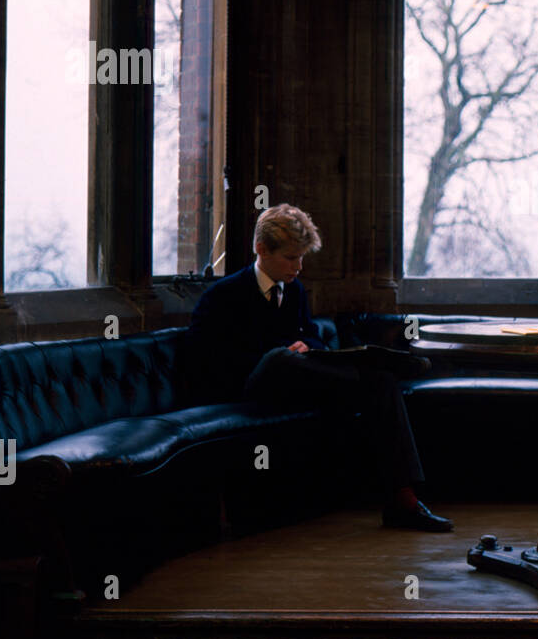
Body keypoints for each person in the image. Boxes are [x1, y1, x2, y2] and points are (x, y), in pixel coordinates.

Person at [185, 203, 452, 532]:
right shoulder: (222, 296)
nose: (298, 267)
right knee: (279, 358)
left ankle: (404, 501)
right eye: (291, 257)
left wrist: (309, 347)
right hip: (243, 387)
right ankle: (374, 370)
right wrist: (280, 354)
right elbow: (206, 362)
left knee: (380, 383)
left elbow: (312, 336)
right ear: (261, 249)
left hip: (296, 384)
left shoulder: (294, 291)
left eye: (301, 258)